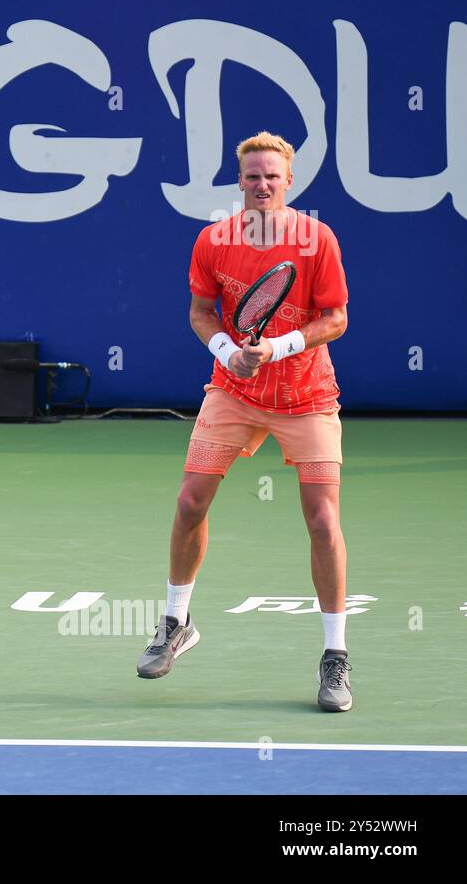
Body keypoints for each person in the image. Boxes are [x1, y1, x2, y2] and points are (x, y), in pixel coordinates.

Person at [137, 131, 353, 711]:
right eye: (253, 176)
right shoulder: (213, 240)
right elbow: (201, 312)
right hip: (234, 389)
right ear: (240, 181)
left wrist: (281, 347)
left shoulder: (317, 240)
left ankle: (335, 656)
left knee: (322, 520)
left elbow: (336, 319)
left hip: (306, 393)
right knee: (190, 503)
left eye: (272, 177)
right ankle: (177, 622)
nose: (262, 185)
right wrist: (225, 350)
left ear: (290, 181)